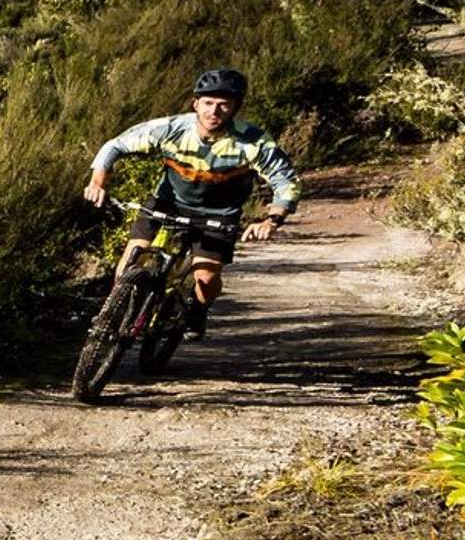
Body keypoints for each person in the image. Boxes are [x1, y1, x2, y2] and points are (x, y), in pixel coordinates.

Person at [82, 67, 301, 338]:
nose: (214, 111)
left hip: (218, 214)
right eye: (208, 103)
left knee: (205, 278)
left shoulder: (252, 141)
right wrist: (97, 183)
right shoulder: (171, 128)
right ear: (195, 103)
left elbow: (285, 181)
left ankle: (197, 309)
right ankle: (112, 319)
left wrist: (272, 220)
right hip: (167, 202)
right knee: (131, 262)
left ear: (235, 107)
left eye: (223, 104)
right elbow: (114, 146)